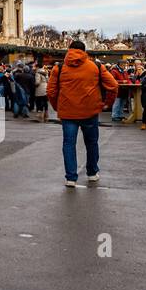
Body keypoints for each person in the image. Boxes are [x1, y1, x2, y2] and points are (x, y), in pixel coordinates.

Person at [46, 41, 118, 187]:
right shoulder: (96, 66)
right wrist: (107, 103)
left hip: (68, 113)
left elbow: (51, 91)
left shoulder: (59, 68)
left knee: (68, 144)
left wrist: (57, 107)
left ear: (69, 50)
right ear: (85, 51)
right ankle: (92, 173)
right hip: (90, 111)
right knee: (91, 143)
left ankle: (71, 177)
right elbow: (113, 85)